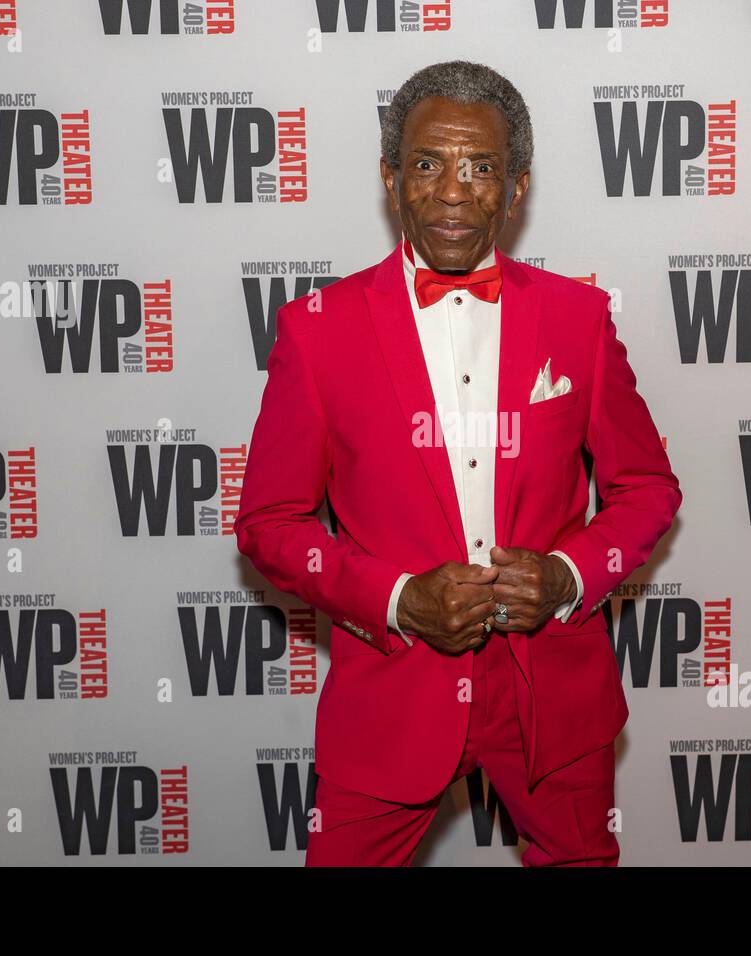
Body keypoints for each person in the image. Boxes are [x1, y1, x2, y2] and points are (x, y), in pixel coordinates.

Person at [234, 60, 682, 866]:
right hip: (391, 697)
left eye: (480, 168)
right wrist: (400, 600)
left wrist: (567, 578)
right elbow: (270, 525)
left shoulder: (578, 319)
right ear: (390, 179)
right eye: (427, 164)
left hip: (553, 697)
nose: (451, 192)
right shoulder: (317, 330)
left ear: (515, 189)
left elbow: (646, 488)